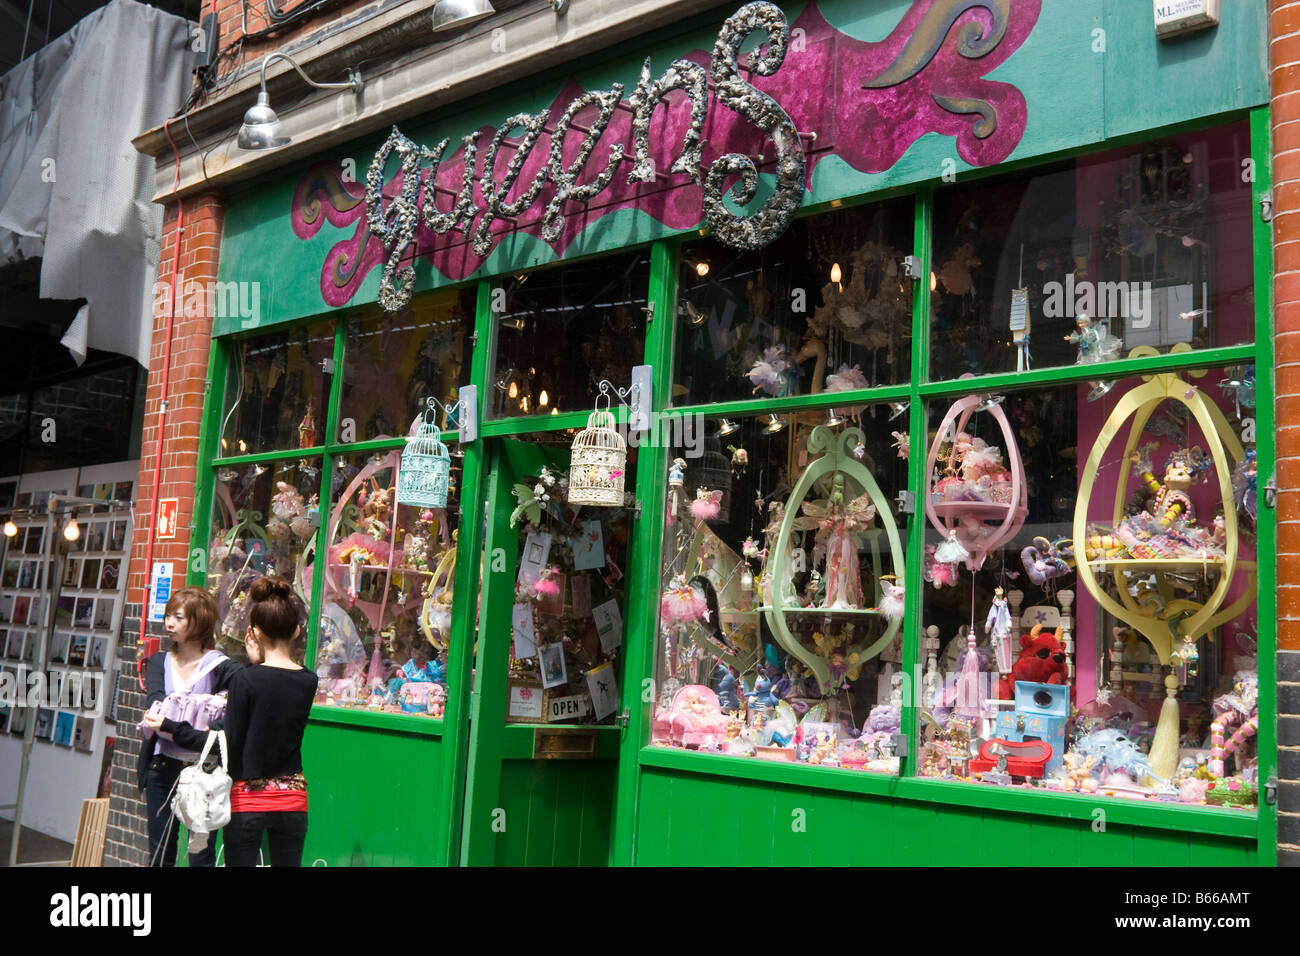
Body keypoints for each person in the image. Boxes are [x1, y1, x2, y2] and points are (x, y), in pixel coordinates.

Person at [149, 576, 317, 866]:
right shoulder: (308, 680)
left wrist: (171, 727)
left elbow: (229, 740)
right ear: (297, 630)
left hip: (248, 799)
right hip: (292, 797)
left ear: (254, 633)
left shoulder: (247, 679)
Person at [137, 587, 239, 867]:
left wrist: (185, 724)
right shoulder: (159, 660)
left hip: (203, 768)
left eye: (178, 617)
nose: (169, 623)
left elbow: (233, 712)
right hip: (162, 764)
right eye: (169, 615)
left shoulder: (220, 666)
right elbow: (156, 703)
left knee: (201, 856)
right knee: (160, 855)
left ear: (199, 621)